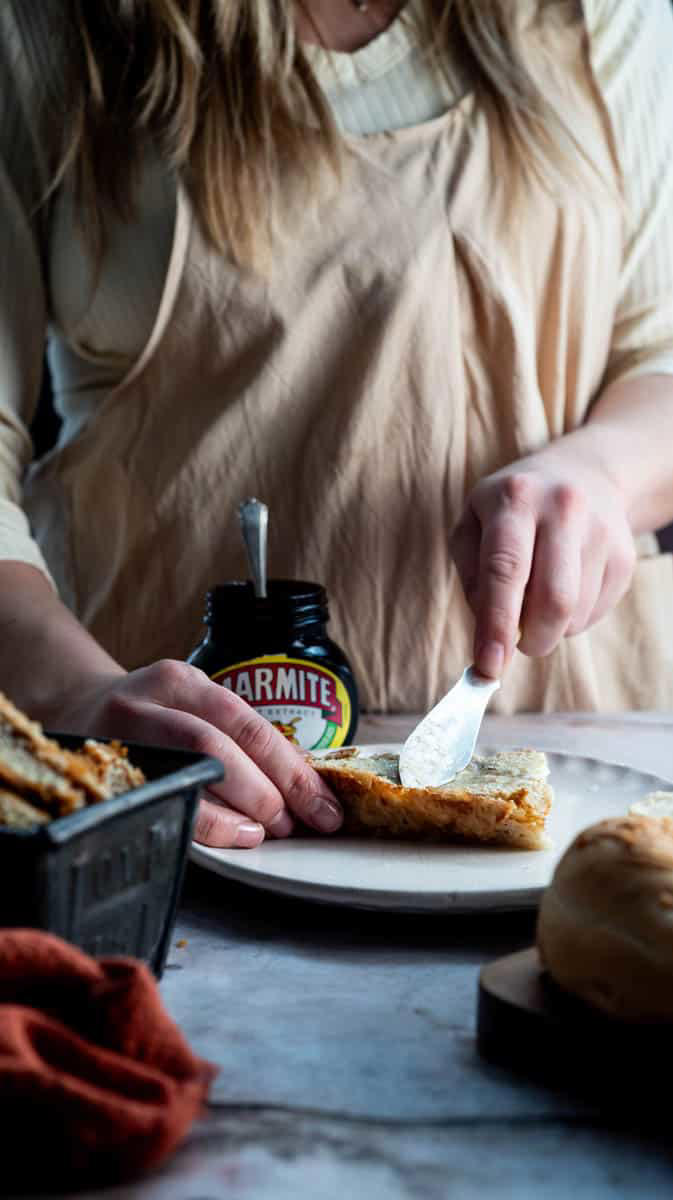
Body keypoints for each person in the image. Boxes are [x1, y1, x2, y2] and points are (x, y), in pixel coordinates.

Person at [1, 0, 672, 849]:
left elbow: (659, 349)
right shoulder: (48, 27)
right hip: (187, 794)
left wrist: (605, 473)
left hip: (582, 759)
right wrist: (70, 696)